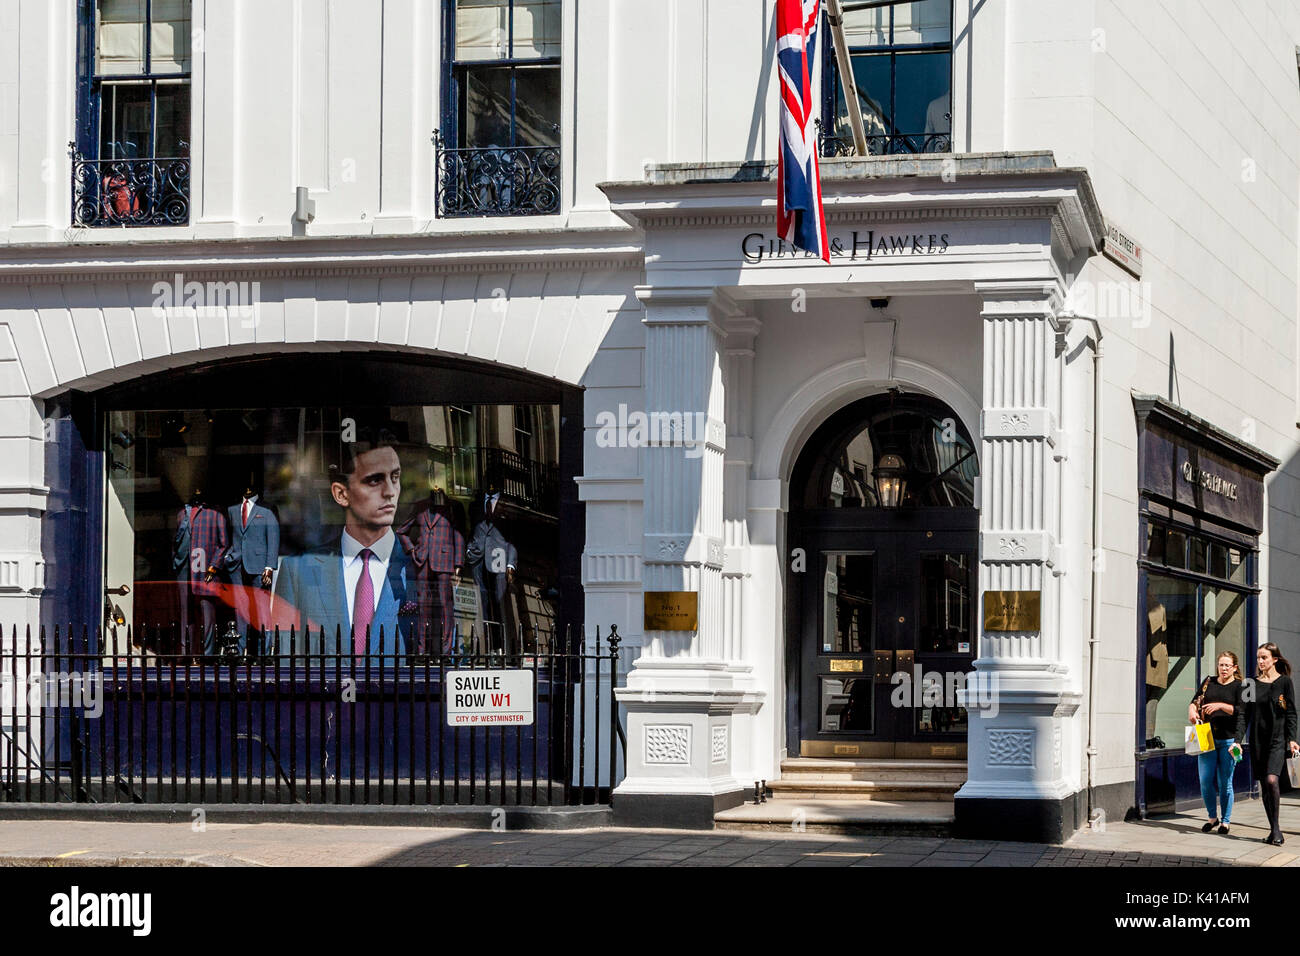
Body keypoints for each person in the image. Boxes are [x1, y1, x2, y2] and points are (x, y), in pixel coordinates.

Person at [271, 429, 414, 663]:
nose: (390, 492)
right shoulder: (297, 572)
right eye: (375, 480)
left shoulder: (420, 569)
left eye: (395, 478)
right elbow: (284, 664)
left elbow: (445, 660)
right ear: (341, 494)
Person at [1187, 651, 1246, 834]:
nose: (1224, 668)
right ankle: (1212, 817)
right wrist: (1192, 711)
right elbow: (1194, 702)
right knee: (1205, 780)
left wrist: (1221, 706)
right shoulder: (1208, 682)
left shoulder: (1240, 686)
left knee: (1224, 783)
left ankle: (1225, 821)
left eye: (1228, 665)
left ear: (1234, 668)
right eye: (1221, 664)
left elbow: (1242, 712)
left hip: (1229, 741)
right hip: (1207, 738)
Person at [1248, 643, 1299, 845]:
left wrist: (1292, 738)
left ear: (1274, 660)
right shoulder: (1249, 684)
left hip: (1277, 739)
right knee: (1264, 784)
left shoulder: (1285, 682)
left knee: (1271, 780)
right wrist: (1237, 740)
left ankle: (1276, 829)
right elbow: (1244, 714)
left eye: (1264, 658)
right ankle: (1273, 830)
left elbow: (1291, 712)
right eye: (1258, 658)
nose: (1260, 662)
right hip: (1257, 741)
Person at [222, 486, 280, 655]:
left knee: (262, 609)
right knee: (240, 609)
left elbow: (273, 538)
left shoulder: (267, 510)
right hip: (237, 565)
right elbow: (226, 535)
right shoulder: (232, 510)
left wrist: (269, 566)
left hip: (259, 566)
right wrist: (228, 556)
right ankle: (239, 652)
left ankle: (264, 653)